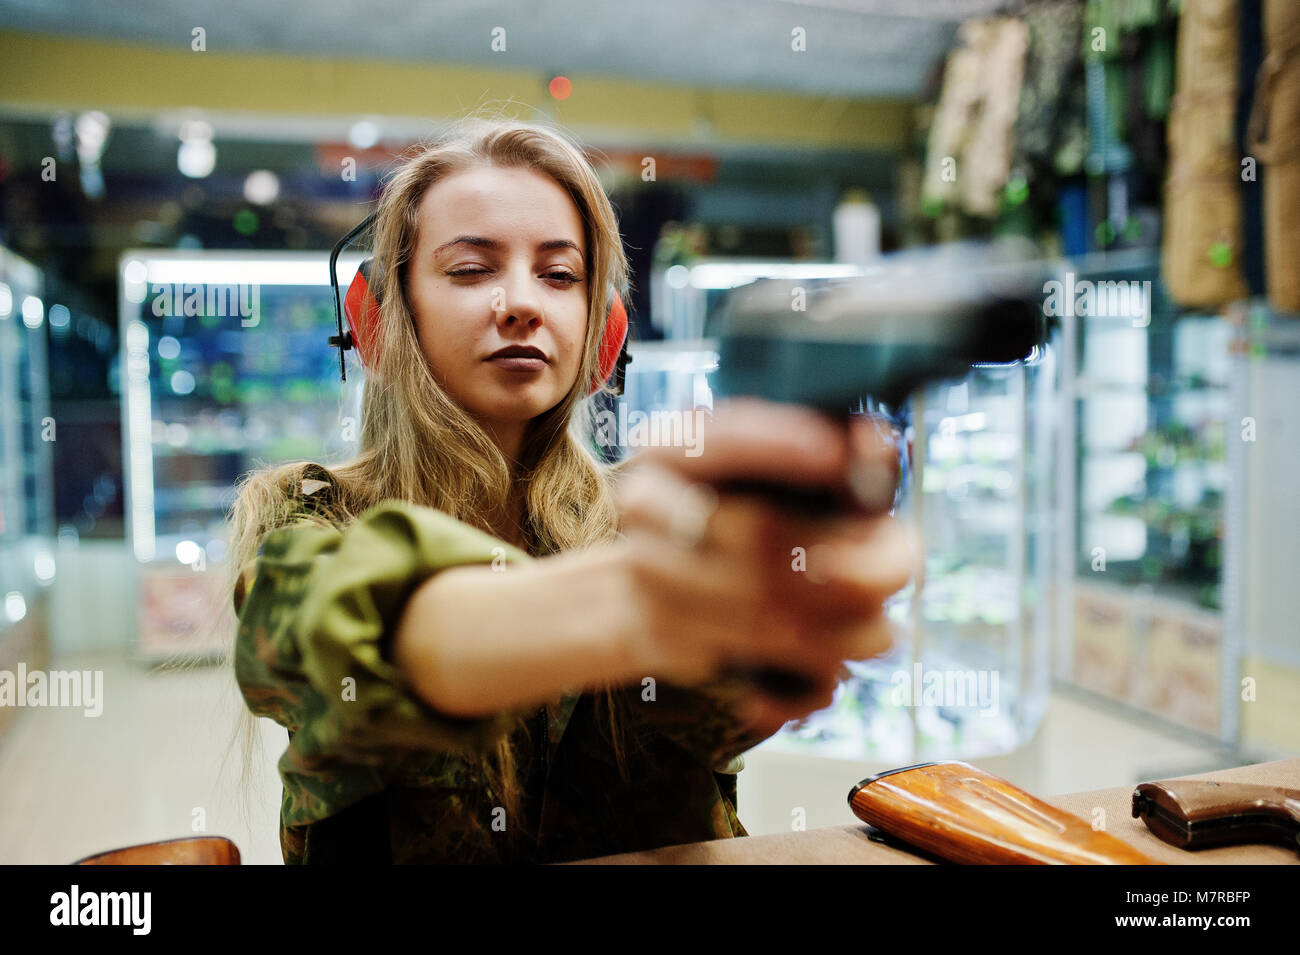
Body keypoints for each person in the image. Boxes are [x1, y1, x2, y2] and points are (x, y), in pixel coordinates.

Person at [225, 112, 916, 864]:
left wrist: (777, 596)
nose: (521, 302)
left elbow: (716, 711)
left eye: (559, 275)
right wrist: (644, 601)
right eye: (471, 269)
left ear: (602, 335)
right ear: (379, 322)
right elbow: (332, 637)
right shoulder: (308, 515)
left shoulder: (653, 517)